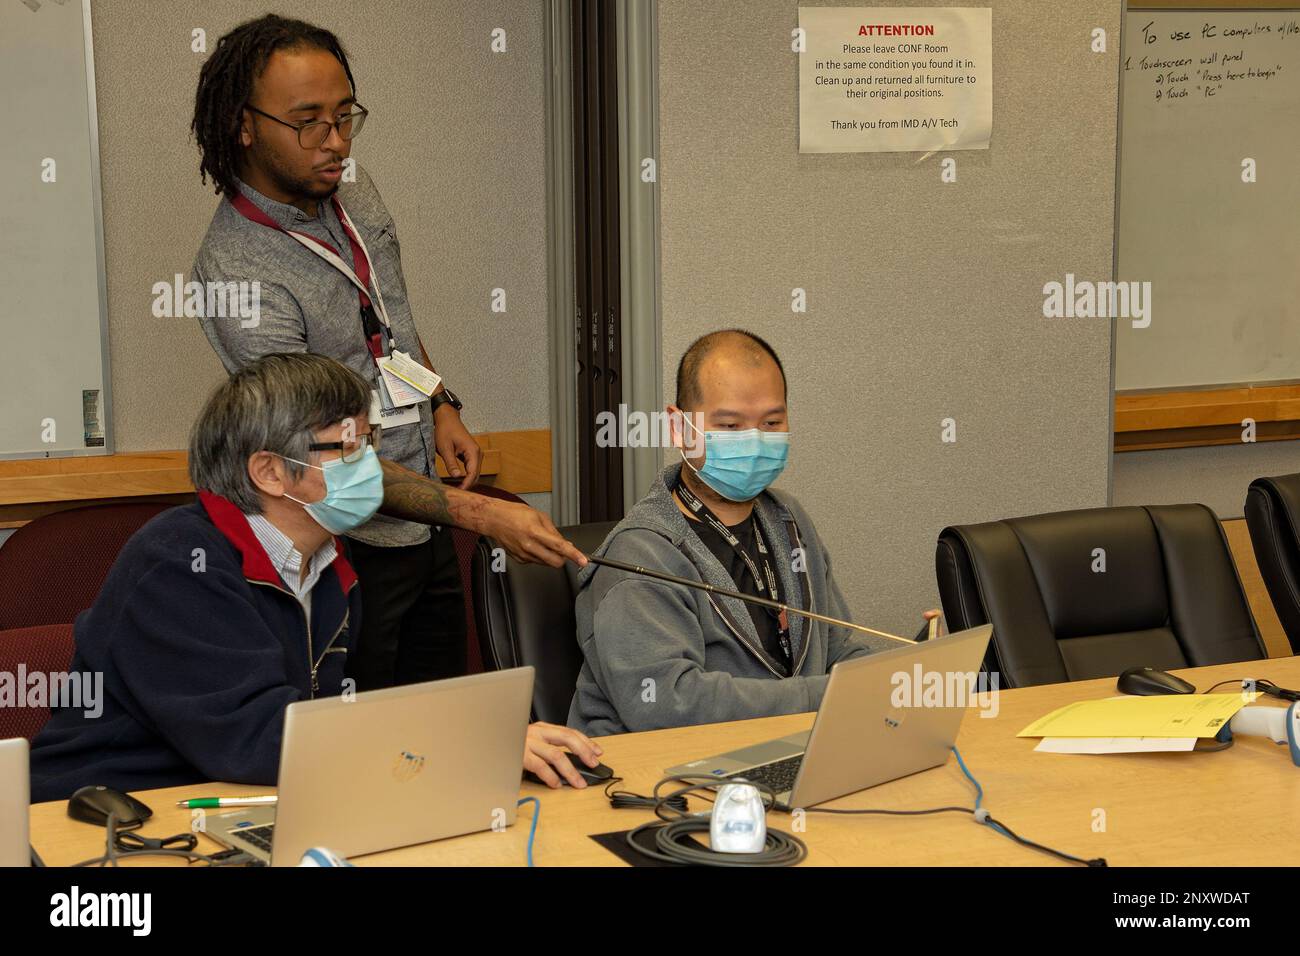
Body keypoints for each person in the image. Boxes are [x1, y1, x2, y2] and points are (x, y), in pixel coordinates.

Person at [188, 14, 575, 691]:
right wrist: (483, 514)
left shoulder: (350, 187)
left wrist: (439, 402)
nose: (336, 143)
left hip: (421, 519)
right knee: (367, 744)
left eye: (345, 116)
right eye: (309, 122)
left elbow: (386, 319)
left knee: (442, 719)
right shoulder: (235, 273)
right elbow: (314, 454)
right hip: (341, 544)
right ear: (243, 125)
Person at [29, 354, 600, 802]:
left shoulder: (326, 563)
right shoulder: (179, 564)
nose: (370, 466)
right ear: (271, 472)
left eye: (369, 443)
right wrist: (468, 745)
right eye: (348, 448)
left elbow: (321, 729)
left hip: (233, 806)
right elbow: (261, 740)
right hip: (99, 821)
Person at [569, 330, 939, 735]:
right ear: (678, 428)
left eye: (772, 422)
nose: (755, 441)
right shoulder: (638, 555)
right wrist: (830, 695)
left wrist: (902, 677)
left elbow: (838, 650)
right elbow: (668, 703)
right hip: (660, 778)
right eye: (729, 425)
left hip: (785, 750)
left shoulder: (788, 520)